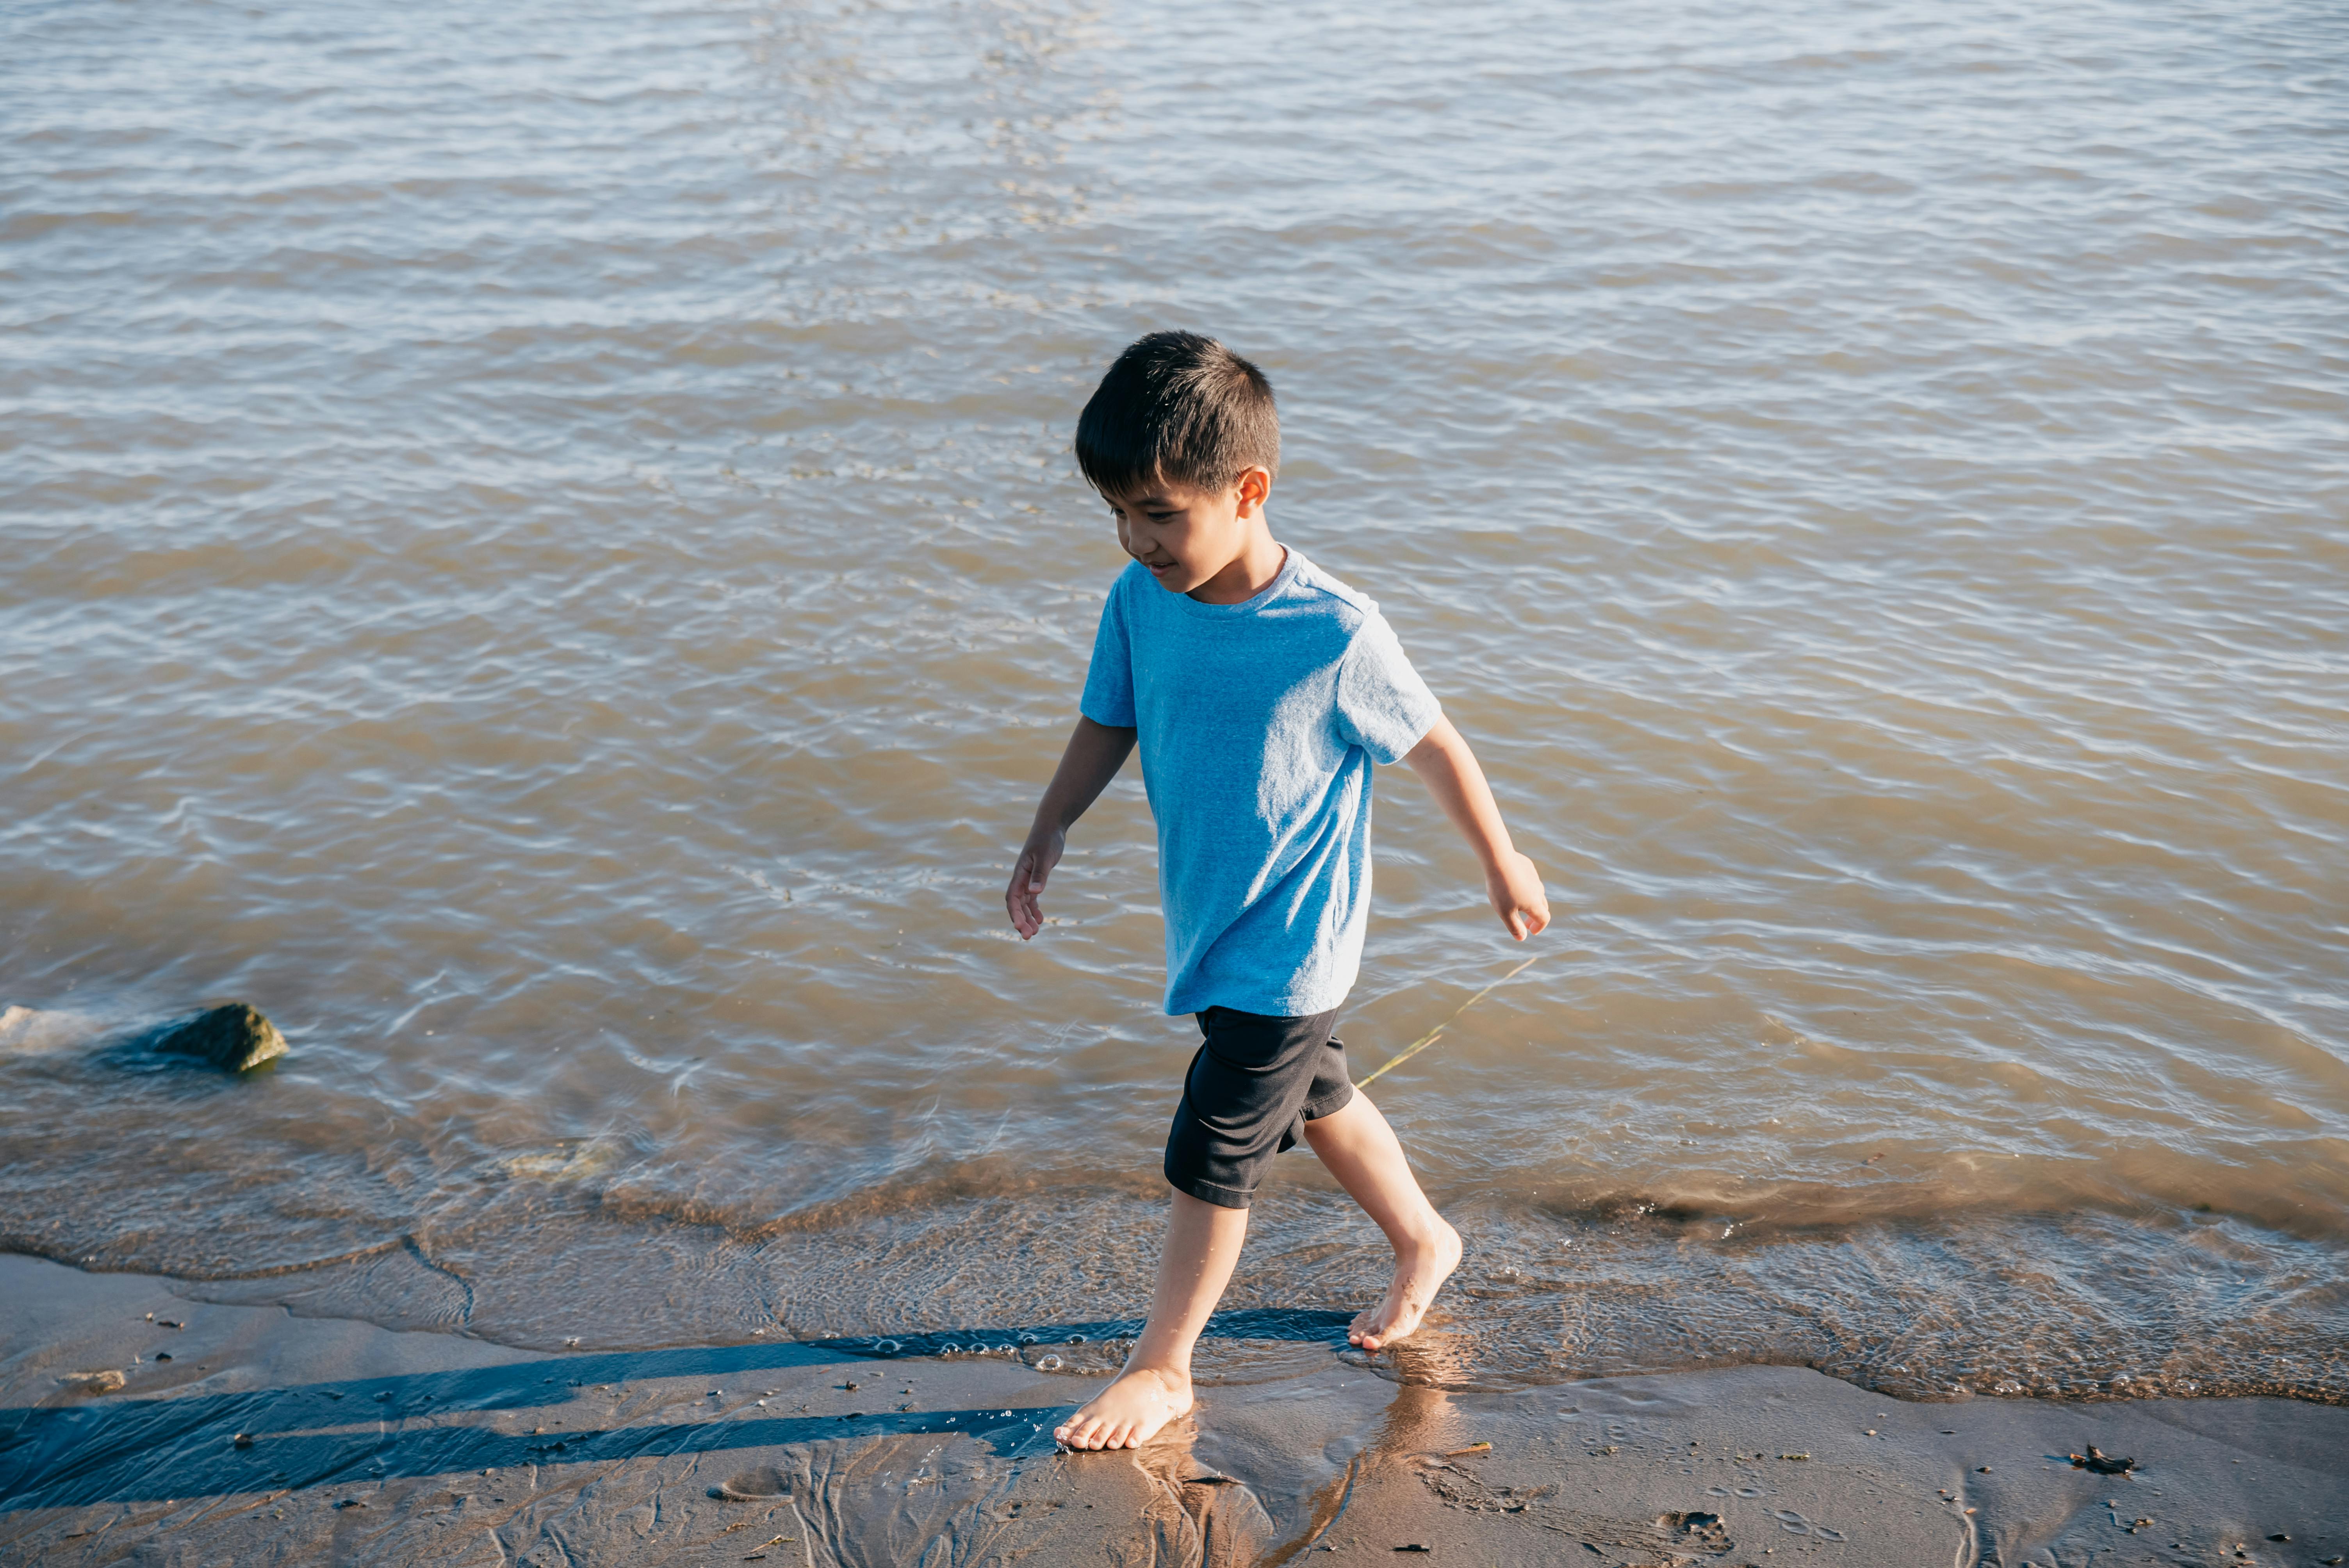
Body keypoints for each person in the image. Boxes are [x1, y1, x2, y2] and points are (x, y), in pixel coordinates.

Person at [1004, 331, 1550, 1452]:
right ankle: (1424, 1240)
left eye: (1160, 513)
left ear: (1246, 491)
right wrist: (1049, 826)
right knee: (1316, 1096)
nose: (1136, 538)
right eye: (1117, 513)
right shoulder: (1140, 597)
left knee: (1214, 1146)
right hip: (1211, 922)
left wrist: (1503, 860)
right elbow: (1111, 718)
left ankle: (1164, 1369)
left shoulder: (1333, 628)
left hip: (1293, 946)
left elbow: (1435, 743)